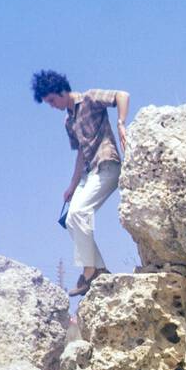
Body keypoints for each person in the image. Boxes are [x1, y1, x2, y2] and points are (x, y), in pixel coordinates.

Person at [31, 69, 130, 297]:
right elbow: (81, 155)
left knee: (80, 213)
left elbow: (122, 95)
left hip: (108, 165)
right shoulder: (69, 121)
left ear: (62, 90)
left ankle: (88, 272)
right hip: (90, 172)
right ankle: (99, 269)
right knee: (71, 220)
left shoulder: (90, 98)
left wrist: (121, 123)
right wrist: (72, 186)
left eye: (52, 100)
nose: (51, 105)